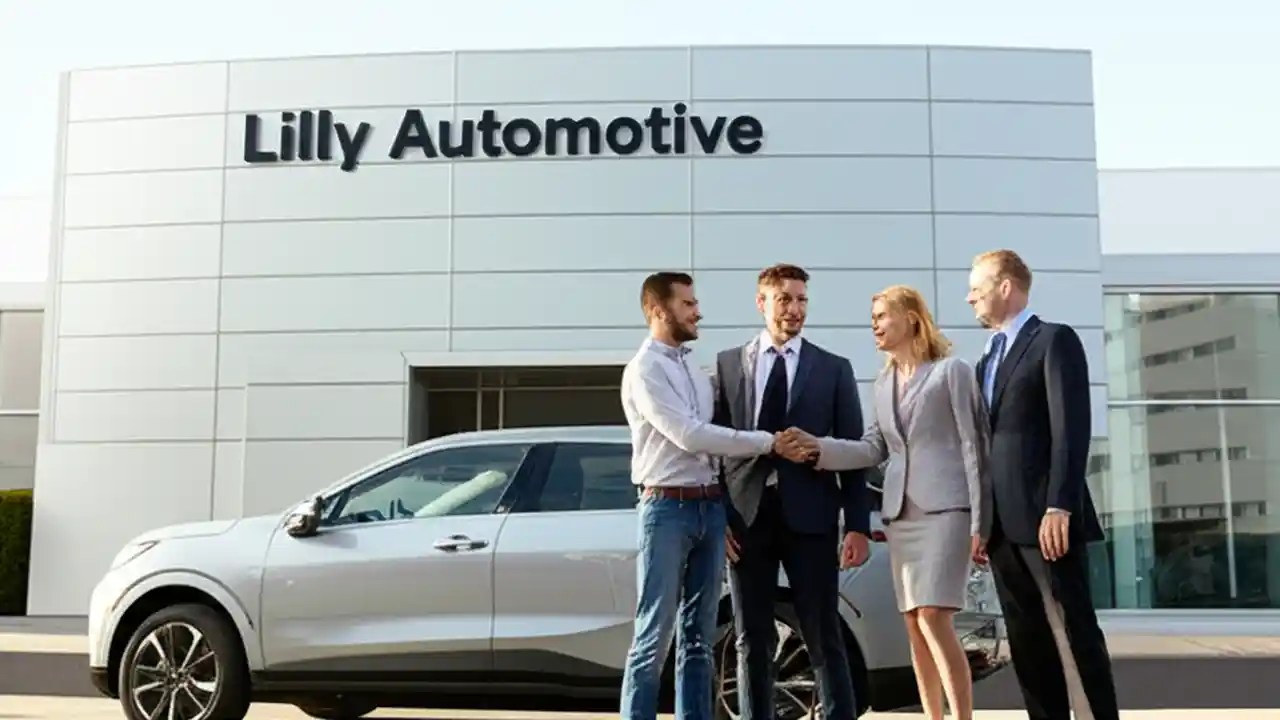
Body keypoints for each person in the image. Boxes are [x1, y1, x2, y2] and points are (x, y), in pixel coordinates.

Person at [776, 285, 992, 720]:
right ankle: (934, 715)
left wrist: (981, 524)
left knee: (933, 615)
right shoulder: (885, 380)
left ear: (911, 317)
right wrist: (819, 448)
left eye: (880, 315)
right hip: (901, 515)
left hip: (949, 511)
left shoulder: (953, 372)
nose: (873, 323)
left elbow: (975, 447)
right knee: (913, 623)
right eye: (871, 316)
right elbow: (873, 447)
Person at [619, 271, 786, 720]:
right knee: (654, 632)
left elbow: (716, 447)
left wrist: (725, 510)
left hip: (709, 508)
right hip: (666, 509)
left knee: (699, 636)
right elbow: (691, 436)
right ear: (659, 310)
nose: (698, 311)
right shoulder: (644, 370)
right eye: (688, 304)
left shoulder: (693, 367)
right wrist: (767, 441)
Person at [709, 263, 872, 720]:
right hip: (747, 520)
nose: (795, 309)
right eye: (785, 299)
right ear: (762, 303)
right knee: (750, 638)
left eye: (801, 299)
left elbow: (855, 454)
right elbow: (714, 451)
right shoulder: (727, 365)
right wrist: (718, 517)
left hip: (813, 519)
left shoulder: (834, 369)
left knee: (823, 634)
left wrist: (857, 526)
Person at [964, 249, 1118, 720]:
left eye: (977, 287)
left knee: (1073, 632)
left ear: (1005, 286)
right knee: (1027, 643)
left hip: (1048, 519)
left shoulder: (1054, 341)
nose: (970, 297)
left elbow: (1071, 429)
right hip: (1001, 529)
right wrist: (981, 523)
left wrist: (1060, 505)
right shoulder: (985, 358)